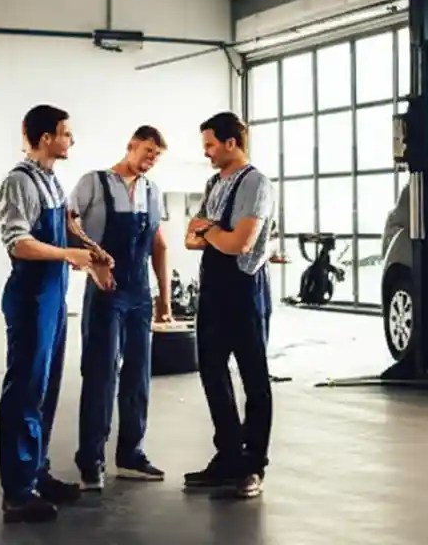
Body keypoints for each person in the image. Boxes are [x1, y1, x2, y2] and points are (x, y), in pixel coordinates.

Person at [0, 104, 109, 524]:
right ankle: (17, 492)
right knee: (25, 389)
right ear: (46, 138)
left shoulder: (51, 181)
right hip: (30, 298)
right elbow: (17, 242)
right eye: (66, 133)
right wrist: (68, 254)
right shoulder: (17, 183)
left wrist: (91, 249)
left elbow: (66, 221)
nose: (71, 140)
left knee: (46, 388)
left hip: (53, 299)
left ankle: (36, 472)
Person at [69, 126, 174, 491]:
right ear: (130, 146)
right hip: (106, 291)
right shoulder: (94, 183)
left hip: (140, 293)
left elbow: (159, 245)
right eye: (147, 151)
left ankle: (131, 455)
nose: (151, 159)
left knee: (138, 376)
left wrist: (164, 298)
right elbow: (66, 222)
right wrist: (90, 257)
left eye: (157, 155)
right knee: (100, 374)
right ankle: (91, 460)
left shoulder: (152, 192)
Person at [183, 111, 276, 499]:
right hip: (213, 288)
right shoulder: (213, 182)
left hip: (243, 287)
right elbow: (190, 237)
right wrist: (211, 232)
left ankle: (251, 465)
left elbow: (239, 244)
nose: (205, 153)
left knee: (253, 376)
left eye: (209, 145)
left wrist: (208, 230)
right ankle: (228, 457)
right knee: (211, 370)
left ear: (231, 143)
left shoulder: (255, 183)